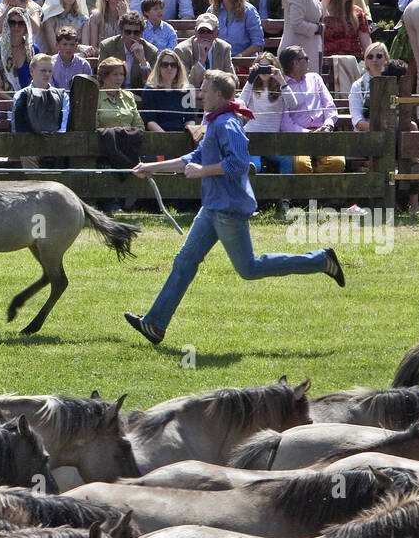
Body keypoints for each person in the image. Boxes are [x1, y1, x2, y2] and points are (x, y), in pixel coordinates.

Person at [123, 69, 345, 346]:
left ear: (218, 95)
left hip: (228, 209)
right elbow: (193, 157)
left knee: (249, 268)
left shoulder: (227, 124)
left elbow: (239, 164)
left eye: (204, 89)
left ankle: (321, 260)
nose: (200, 94)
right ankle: (155, 325)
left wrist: (203, 171)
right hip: (212, 208)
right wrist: (150, 168)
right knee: (184, 262)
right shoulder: (215, 121)